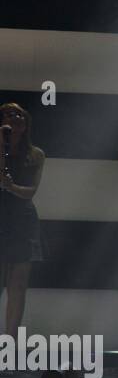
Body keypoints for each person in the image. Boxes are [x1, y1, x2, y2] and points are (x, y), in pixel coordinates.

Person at [0, 103, 45, 335]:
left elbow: (31, 190)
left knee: (17, 285)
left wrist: (11, 186)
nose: (15, 118)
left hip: (22, 220)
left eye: (19, 114)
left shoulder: (35, 154)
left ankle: (10, 343)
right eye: (9, 114)